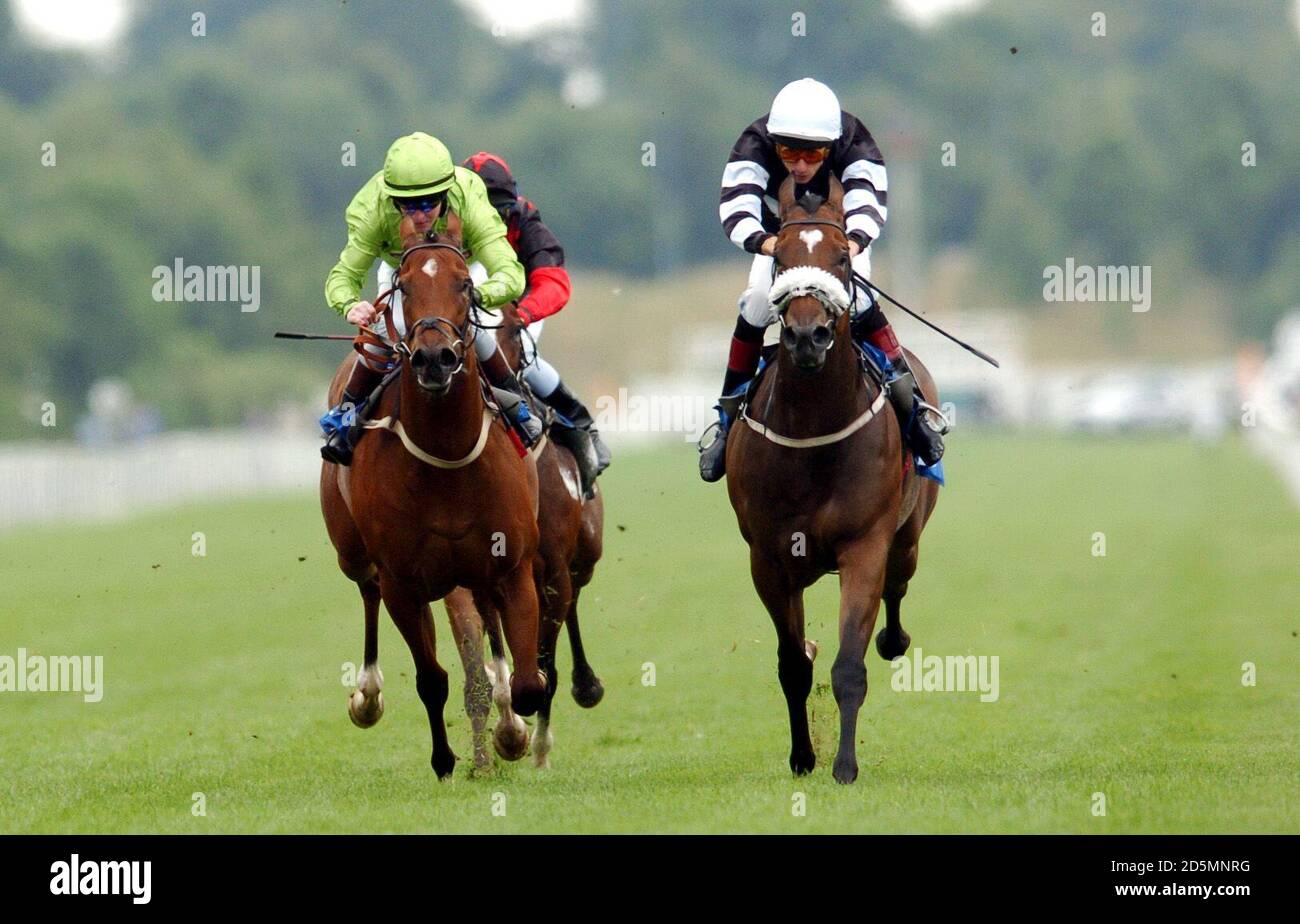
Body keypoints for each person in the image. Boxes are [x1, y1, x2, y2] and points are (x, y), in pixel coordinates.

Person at [698, 78, 946, 483]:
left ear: (830, 145)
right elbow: (737, 203)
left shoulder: (853, 141)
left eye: (811, 154)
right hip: (780, 244)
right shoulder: (754, 144)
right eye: (788, 152)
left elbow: (868, 198)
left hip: (838, 243)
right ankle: (725, 422)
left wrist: (854, 240)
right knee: (758, 301)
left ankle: (914, 409)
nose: (798, 164)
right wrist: (766, 242)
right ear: (774, 142)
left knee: (860, 302)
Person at [319, 132, 539, 465]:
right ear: (392, 200)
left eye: (428, 203)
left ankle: (516, 405)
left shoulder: (469, 200)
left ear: (446, 194)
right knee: (382, 330)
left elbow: (511, 273)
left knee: (475, 329)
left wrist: (474, 295)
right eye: (407, 206)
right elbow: (342, 277)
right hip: (402, 272)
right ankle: (345, 414)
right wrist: (351, 305)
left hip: (457, 271)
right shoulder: (374, 208)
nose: (419, 214)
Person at [461, 151, 611, 477]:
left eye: (502, 213)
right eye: (488, 214)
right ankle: (354, 417)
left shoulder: (525, 220)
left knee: (518, 351)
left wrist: (523, 313)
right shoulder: (448, 220)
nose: (497, 223)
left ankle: (581, 424)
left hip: (519, 305)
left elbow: (553, 280)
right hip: (463, 301)